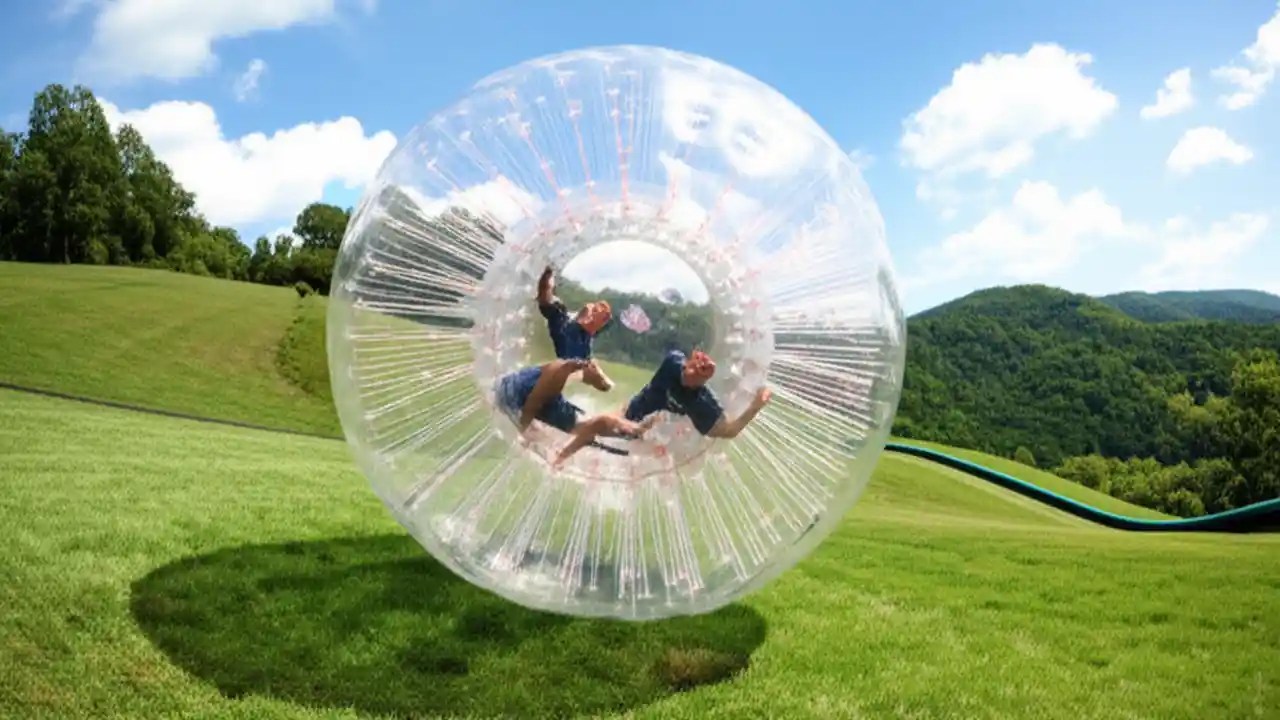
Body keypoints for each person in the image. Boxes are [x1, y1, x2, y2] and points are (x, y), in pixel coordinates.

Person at [495, 358, 654, 468]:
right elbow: (534, 402)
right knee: (596, 424)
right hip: (515, 396)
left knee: (592, 425)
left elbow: (536, 399)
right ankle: (635, 431)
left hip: (511, 390)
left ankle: (634, 431)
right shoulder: (561, 371)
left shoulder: (564, 370)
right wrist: (524, 431)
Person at [623, 349, 772, 439]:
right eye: (693, 367)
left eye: (697, 374)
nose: (692, 373)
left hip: (670, 423)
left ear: (703, 382)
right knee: (626, 416)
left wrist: (756, 405)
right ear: (687, 362)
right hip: (643, 404)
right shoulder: (672, 362)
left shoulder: (702, 403)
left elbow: (729, 431)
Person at [537, 265, 615, 392]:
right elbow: (545, 297)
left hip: (575, 362)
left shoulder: (586, 333)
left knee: (600, 379)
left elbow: (604, 385)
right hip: (570, 363)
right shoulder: (562, 318)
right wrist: (548, 272)